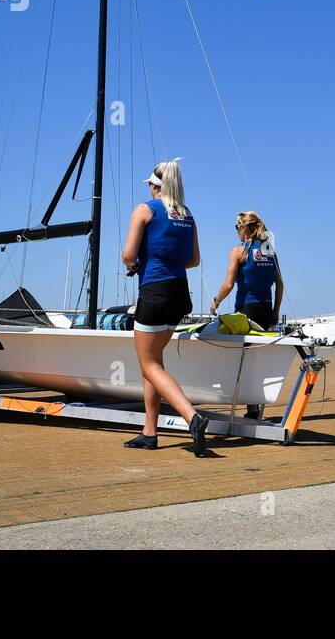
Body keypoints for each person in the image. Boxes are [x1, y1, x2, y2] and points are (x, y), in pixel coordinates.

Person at [120, 160, 209, 456]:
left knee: (148, 364)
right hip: (179, 294)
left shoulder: (145, 209)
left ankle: (191, 417)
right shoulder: (188, 215)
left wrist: (136, 263)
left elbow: (128, 254)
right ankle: (149, 432)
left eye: (149, 184)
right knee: (155, 363)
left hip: (155, 292)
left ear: (156, 186)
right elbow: (194, 260)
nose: (147, 188)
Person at [210, 210, 284, 420]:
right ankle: (253, 408)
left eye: (237, 228)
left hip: (246, 309)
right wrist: (275, 312)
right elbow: (279, 285)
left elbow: (228, 284)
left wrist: (215, 302)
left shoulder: (239, 251)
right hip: (265, 309)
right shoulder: (270, 252)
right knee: (255, 358)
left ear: (245, 228)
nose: (236, 232)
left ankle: (238, 401)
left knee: (241, 358)